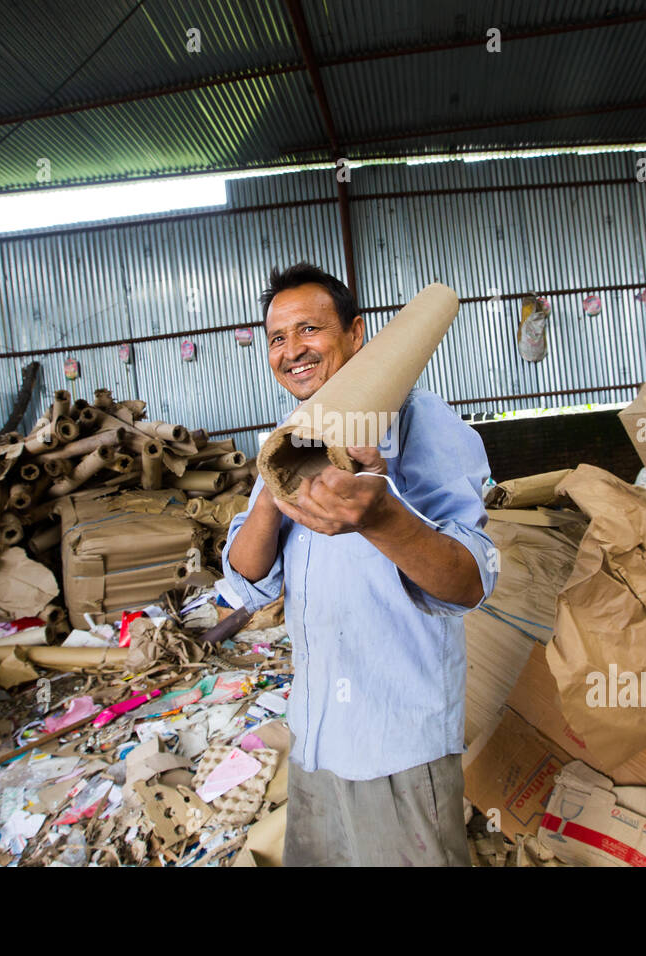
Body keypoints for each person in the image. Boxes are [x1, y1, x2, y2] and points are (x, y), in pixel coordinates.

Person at [220, 262, 497, 866]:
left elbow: (470, 582)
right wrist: (276, 479)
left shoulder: (422, 424)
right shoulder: (288, 435)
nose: (292, 351)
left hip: (396, 744)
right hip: (318, 739)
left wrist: (381, 518)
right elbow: (244, 582)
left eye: (309, 330)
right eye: (277, 338)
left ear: (355, 333)